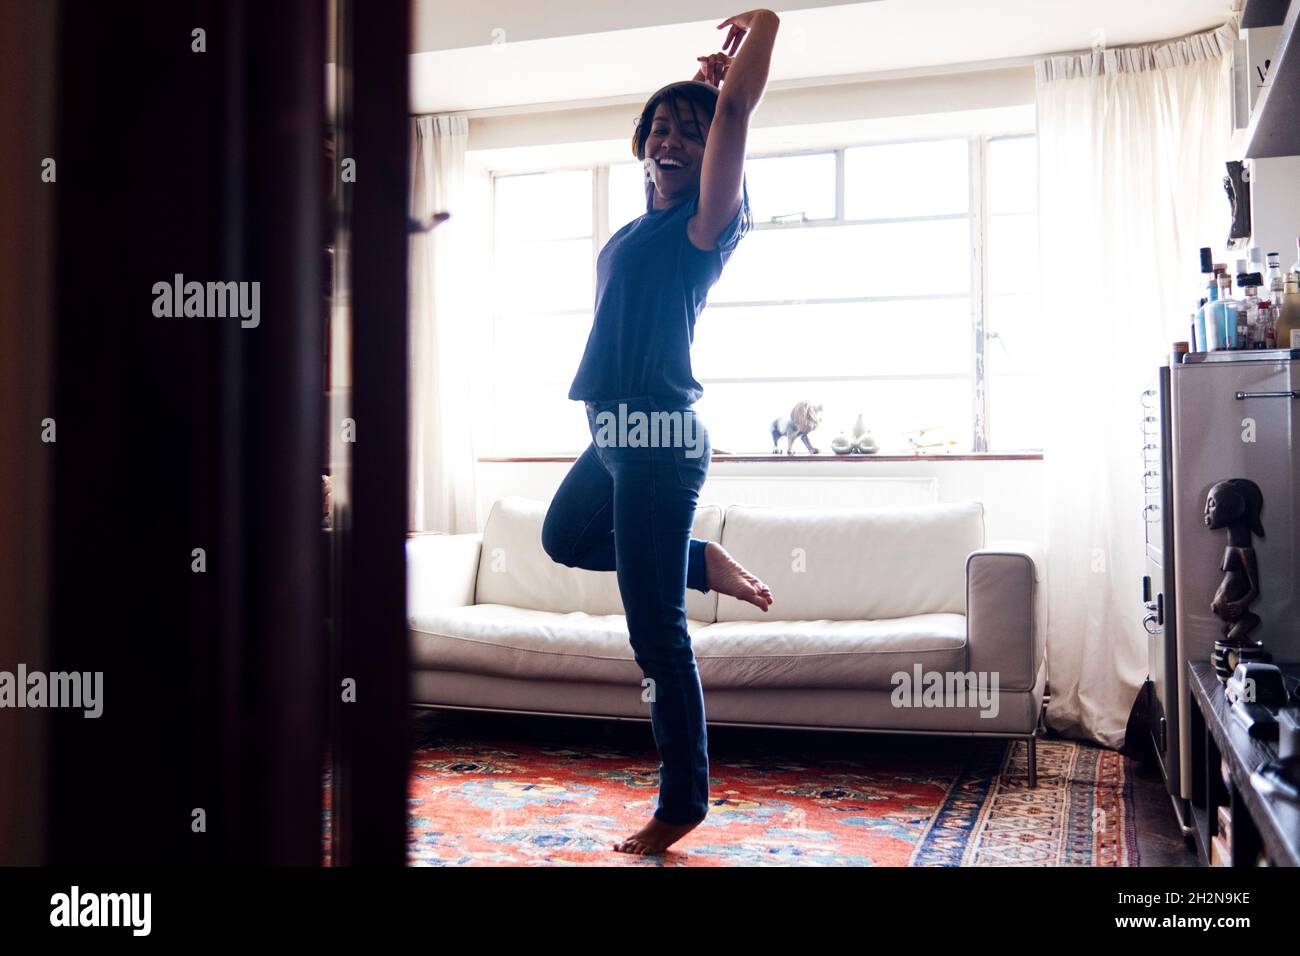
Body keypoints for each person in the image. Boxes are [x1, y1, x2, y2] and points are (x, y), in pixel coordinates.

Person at [541, 9, 782, 855]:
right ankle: (698, 561)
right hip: (610, 432)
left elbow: (739, 115)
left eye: (690, 132)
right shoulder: (639, 226)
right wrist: (700, 97)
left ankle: (683, 800)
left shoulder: (701, 230)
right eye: (660, 129)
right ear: (641, 145)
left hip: (658, 439)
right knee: (563, 537)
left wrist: (762, 30)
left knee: (656, 630)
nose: (671, 140)